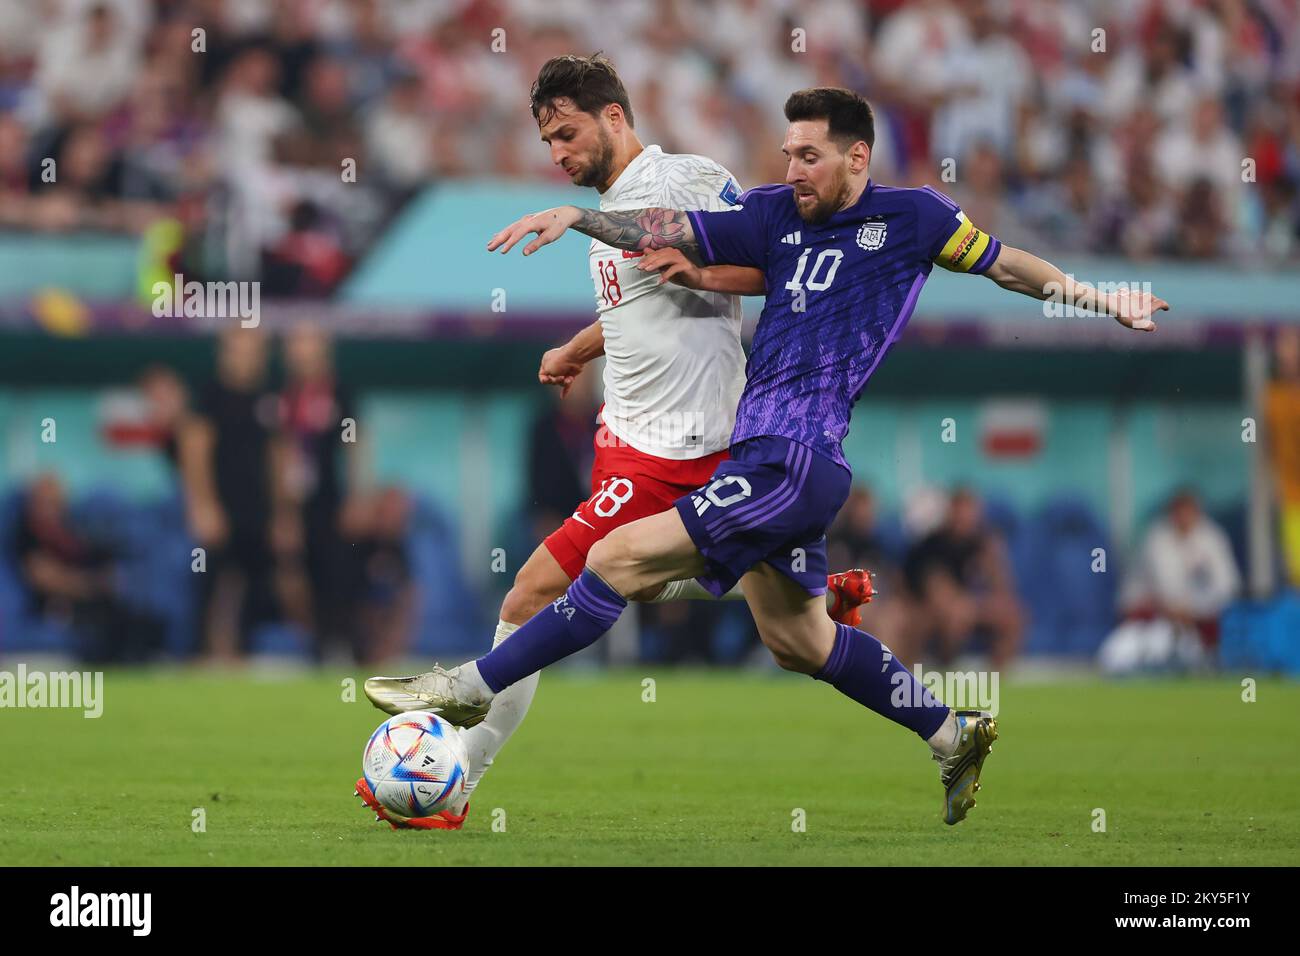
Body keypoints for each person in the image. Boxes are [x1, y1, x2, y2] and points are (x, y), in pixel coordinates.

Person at [374, 86, 1171, 827]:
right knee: (801, 642)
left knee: (615, 560)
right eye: (789, 154)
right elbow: (661, 230)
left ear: (858, 157)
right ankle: (950, 730)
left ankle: (469, 688)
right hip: (769, 462)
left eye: (810, 156)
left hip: (793, 456)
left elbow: (1009, 267)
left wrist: (1100, 297)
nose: (793, 170)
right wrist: (579, 220)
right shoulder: (771, 215)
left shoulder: (916, 219)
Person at [356, 56, 872, 831]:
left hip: (682, 448)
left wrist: (701, 273)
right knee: (705, 609)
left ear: (615, 118)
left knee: (530, 593)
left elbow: (778, 265)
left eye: (567, 134)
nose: (558, 154)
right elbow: (642, 304)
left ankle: (459, 779)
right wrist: (579, 346)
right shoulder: (608, 209)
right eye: (547, 142)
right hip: (627, 440)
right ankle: (797, 584)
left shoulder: (690, 182)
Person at [1101, 489, 1240, 673]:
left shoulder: (1212, 536)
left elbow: (1228, 584)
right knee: (1146, 645)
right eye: (1179, 512)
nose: (1184, 518)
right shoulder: (1157, 538)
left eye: (1189, 512)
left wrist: (1197, 608)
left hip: (1198, 615)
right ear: (1172, 514)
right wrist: (1180, 609)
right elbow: (1166, 587)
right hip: (1150, 613)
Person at [902, 487, 1024, 668]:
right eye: (961, 511)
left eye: (970, 512)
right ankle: (945, 672)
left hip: (969, 605)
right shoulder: (934, 544)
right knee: (956, 617)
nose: (965, 518)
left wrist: (995, 562)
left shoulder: (980, 543)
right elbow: (939, 593)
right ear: (950, 513)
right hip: (927, 607)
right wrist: (968, 605)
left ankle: (998, 680)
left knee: (1012, 617)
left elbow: (1003, 589)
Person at [1264, 327, 1300, 588]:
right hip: (1290, 497)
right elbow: (1260, 442)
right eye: (1282, 350)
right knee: (1296, 571)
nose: (1286, 356)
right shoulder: (1270, 396)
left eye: (1291, 348)